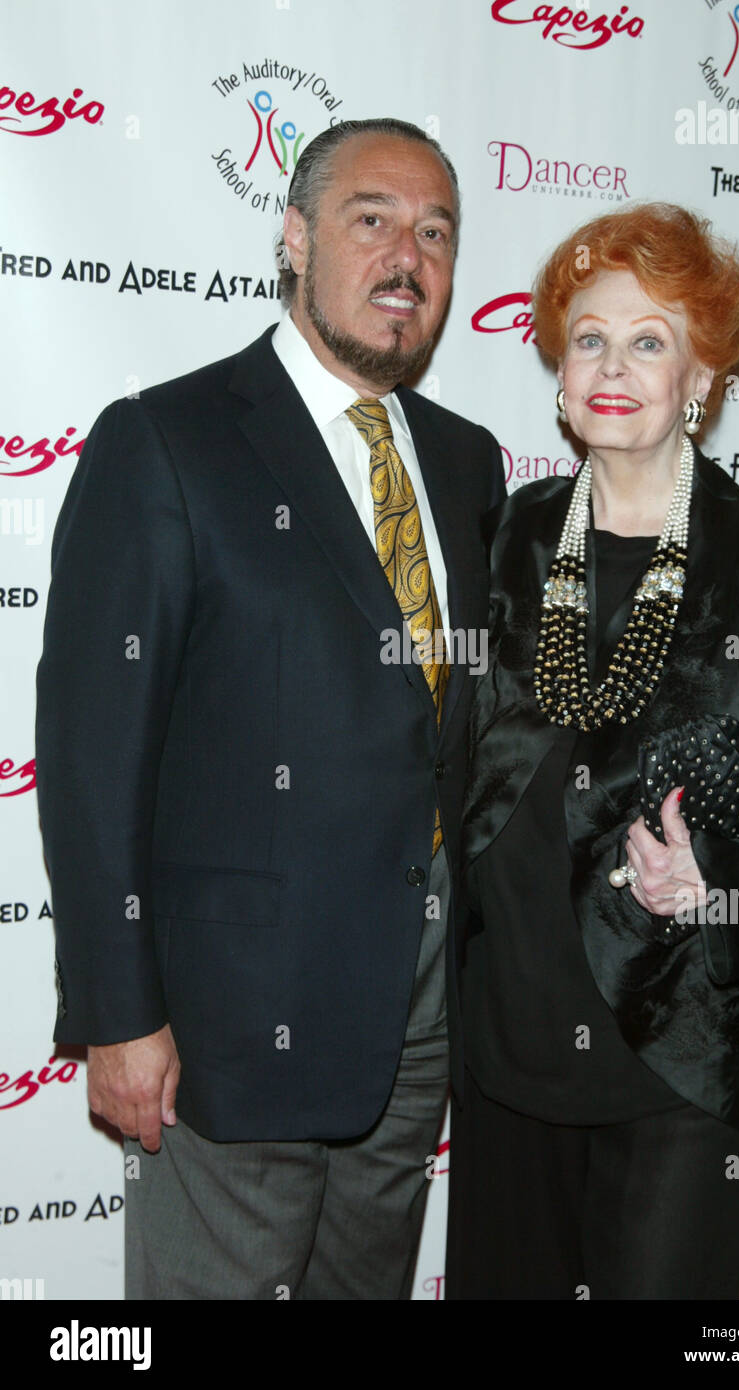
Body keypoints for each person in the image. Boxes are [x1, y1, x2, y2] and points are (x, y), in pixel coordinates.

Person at [35, 116, 505, 1300]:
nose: (407, 255)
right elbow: (94, 755)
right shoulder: (168, 440)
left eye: (435, 231)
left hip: (418, 1015)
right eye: (371, 219)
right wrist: (116, 1013)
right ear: (292, 239)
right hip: (227, 1024)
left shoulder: (467, 463)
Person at [445, 202, 739, 1300]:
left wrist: (724, 884)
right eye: (587, 336)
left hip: (682, 1061)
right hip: (505, 1052)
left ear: (702, 377)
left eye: (649, 339)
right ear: (556, 365)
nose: (613, 365)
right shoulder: (510, 535)